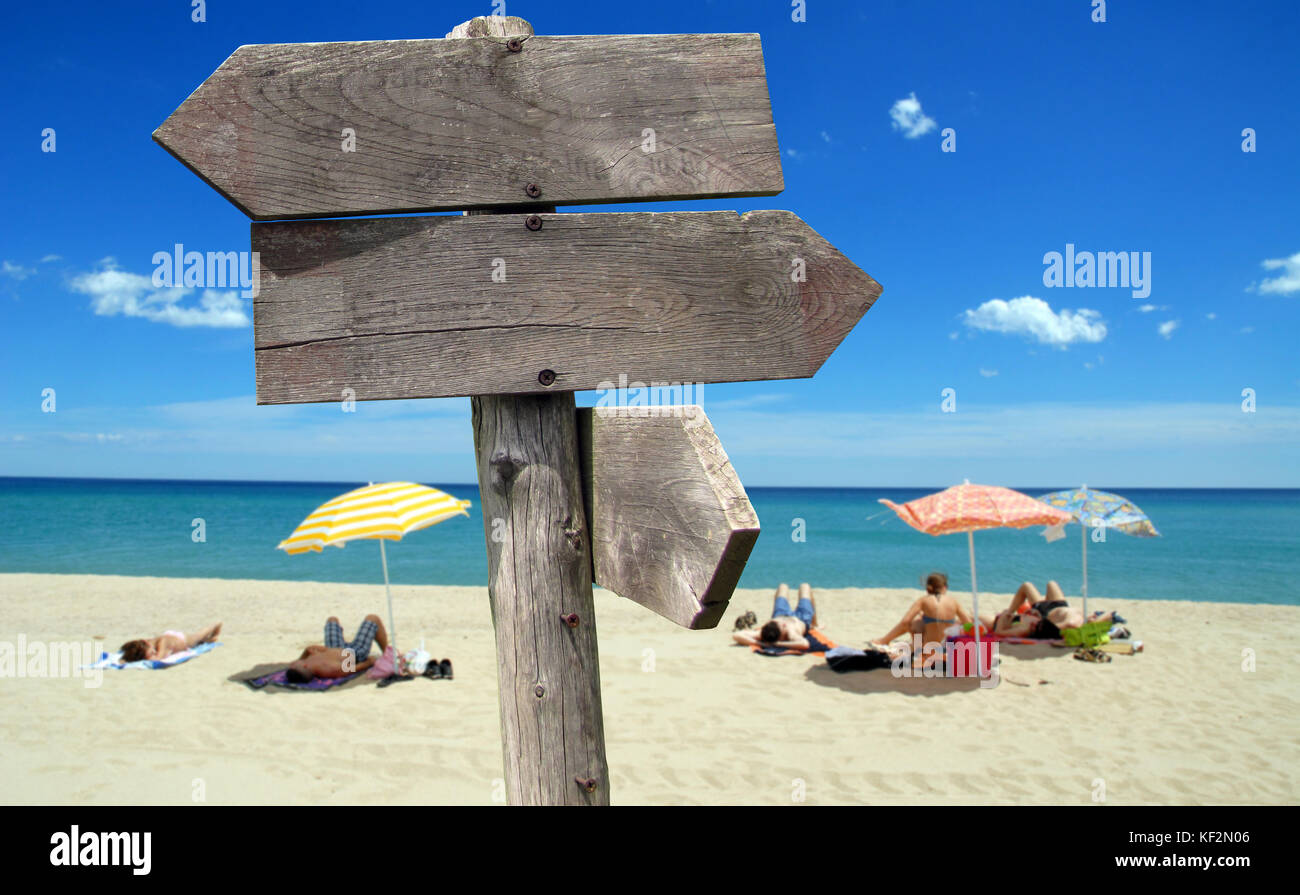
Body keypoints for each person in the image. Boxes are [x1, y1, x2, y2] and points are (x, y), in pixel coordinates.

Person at [873, 573, 971, 667]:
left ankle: (884, 640)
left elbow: (905, 622)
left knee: (917, 622)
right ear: (944, 586)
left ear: (928, 588)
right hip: (947, 649)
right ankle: (887, 641)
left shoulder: (923, 600)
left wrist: (913, 636)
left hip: (927, 649)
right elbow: (969, 624)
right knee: (954, 624)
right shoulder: (953, 602)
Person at [982, 581, 1119, 639]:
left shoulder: (1070, 624)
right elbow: (1108, 616)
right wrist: (1095, 618)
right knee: (1051, 583)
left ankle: (1010, 611)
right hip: (1059, 606)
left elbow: (1066, 627)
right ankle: (1010, 613)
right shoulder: (1078, 621)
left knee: (1027, 585)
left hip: (1047, 613)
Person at [285, 614, 389, 683]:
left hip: (333, 647)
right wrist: (369, 662)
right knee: (373, 619)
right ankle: (387, 653)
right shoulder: (327, 669)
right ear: (304, 665)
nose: (293, 663)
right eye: (294, 665)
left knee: (332, 619)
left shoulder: (304, 662)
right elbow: (349, 669)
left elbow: (308, 649)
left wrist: (321, 650)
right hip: (353, 653)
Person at [732, 583, 818, 650]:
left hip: (780, 614)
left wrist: (760, 644)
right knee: (805, 586)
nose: (783, 624)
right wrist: (778, 644)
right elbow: (804, 644)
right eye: (782, 626)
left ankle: (815, 624)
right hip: (801, 618)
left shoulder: (762, 633)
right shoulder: (790, 633)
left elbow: (737, 635)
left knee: (782, 586)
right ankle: (814, 624)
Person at [119, 623, 222, 663]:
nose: (153, 654)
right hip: (170, 638)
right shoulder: (147, 644)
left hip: (182, 640)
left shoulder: (162, 643)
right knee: (201, 641)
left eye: (151, 653)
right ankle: (208, 640)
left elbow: (159, 659)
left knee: (199, 635)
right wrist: (126, 659)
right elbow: (131, 649)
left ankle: (215, 625)